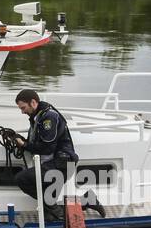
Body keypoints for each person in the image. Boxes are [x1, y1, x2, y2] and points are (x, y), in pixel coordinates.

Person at [13, 88, 105, 221]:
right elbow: (37, 143)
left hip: (62, 164)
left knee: (21, 179)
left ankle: (60, 213)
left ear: (33, 102)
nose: (22, 112)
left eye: (23, 107)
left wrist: (25, 145)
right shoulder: (37, 117)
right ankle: (87, 201)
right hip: (55, 164)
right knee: (48, 207)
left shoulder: (49, 117)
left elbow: (47, 147)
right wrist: (19, 139)